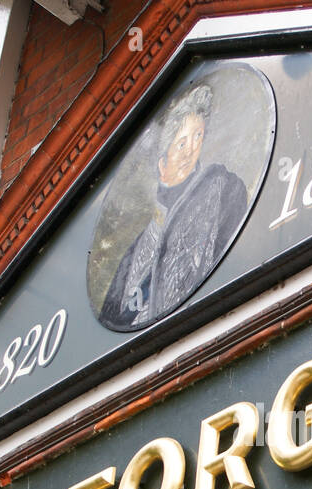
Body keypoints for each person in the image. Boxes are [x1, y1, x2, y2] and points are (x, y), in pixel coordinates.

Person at [97, 84, 248, 332]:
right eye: (181, 143)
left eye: (198, 136)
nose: (191, 150)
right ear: (161, 163)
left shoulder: (223, 188)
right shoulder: (136, 250)